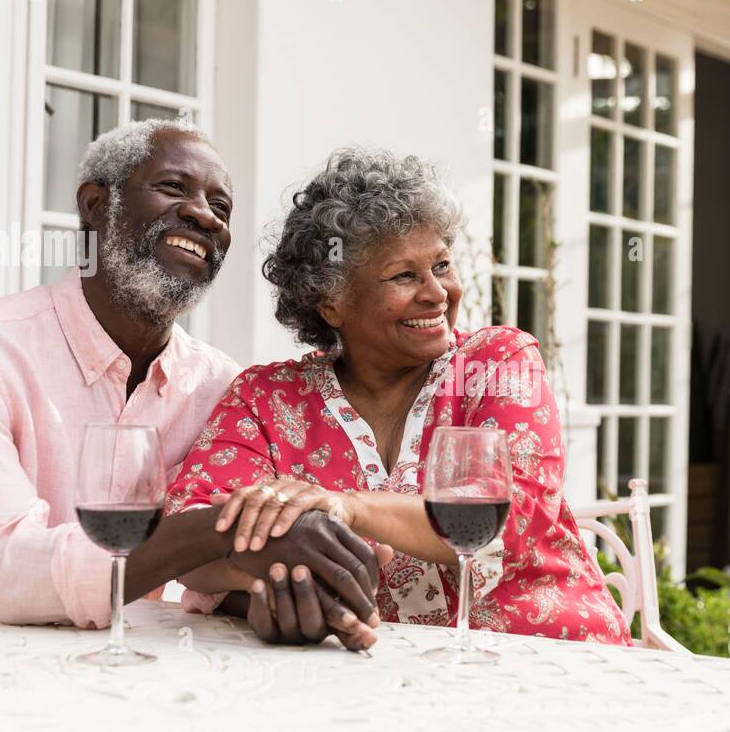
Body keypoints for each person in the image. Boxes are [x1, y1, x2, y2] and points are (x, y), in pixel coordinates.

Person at [0, 120, 382, 650]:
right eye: (173, 188)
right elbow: (10, 572)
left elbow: (210, 571)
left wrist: (276, 594)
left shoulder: (220, 386)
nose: (204, 214)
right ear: (96, 204)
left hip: (122, 684)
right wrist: (229, 525)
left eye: (221, 207)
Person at [169, 148, 631, 646]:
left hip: (548, 660)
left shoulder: (497, 363)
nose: (437, 293)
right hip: (371, 678)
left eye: (442, 265)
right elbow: (188, 539)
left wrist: (345, 507)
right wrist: (273, 582)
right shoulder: (265, 398)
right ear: (332, 303)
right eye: (404, 275)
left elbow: (511, 516)